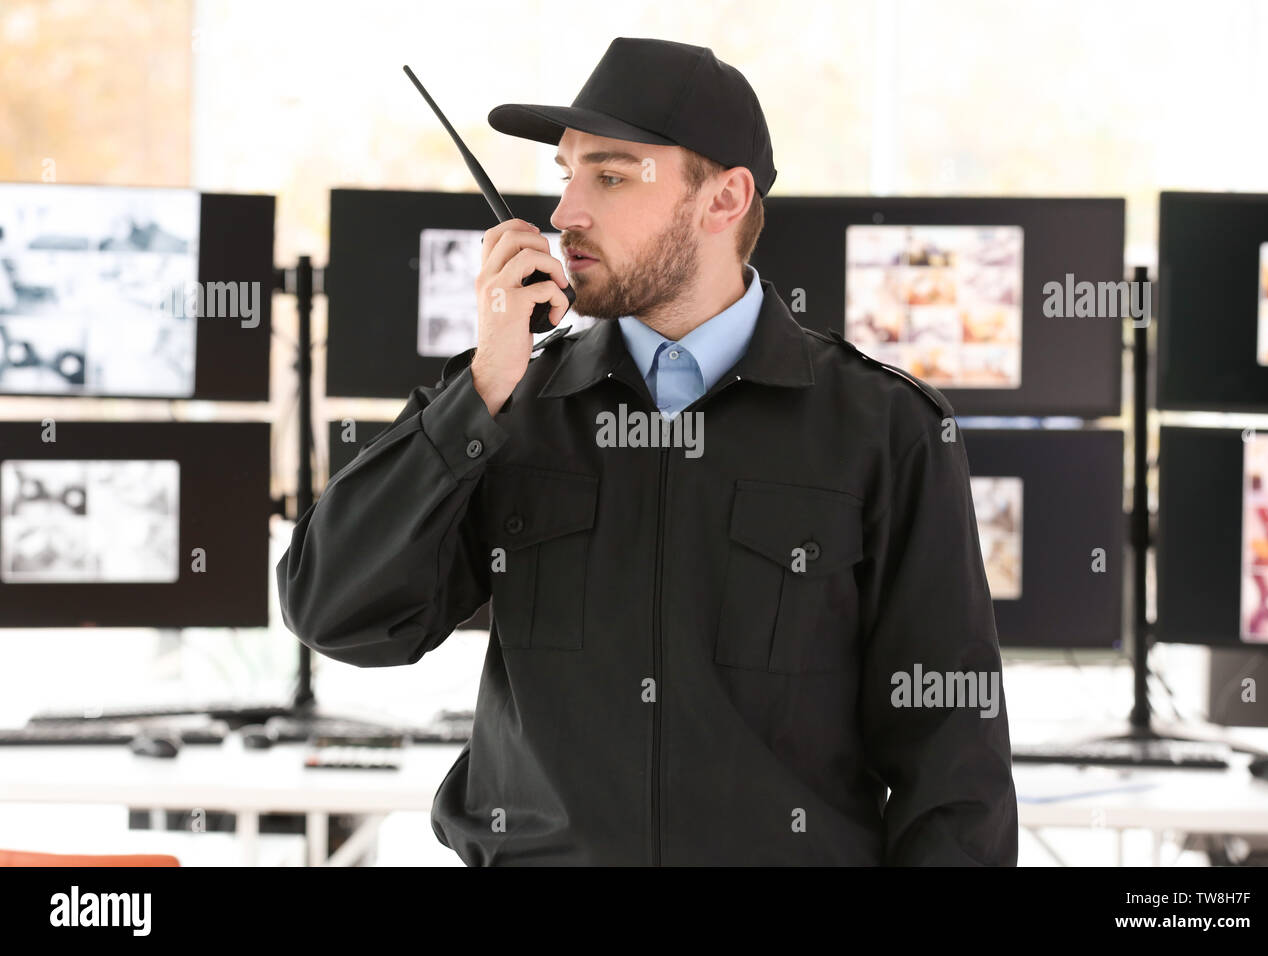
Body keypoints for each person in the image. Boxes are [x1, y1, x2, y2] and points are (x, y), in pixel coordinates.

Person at [277, 36, 1018, 866]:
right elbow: (335, 614)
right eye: (567, 174)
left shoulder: (885, 429)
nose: (564, 214)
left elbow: (953, 767)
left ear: (723, 199)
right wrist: (478, 389)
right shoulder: (509, 405)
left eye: (612, 175)